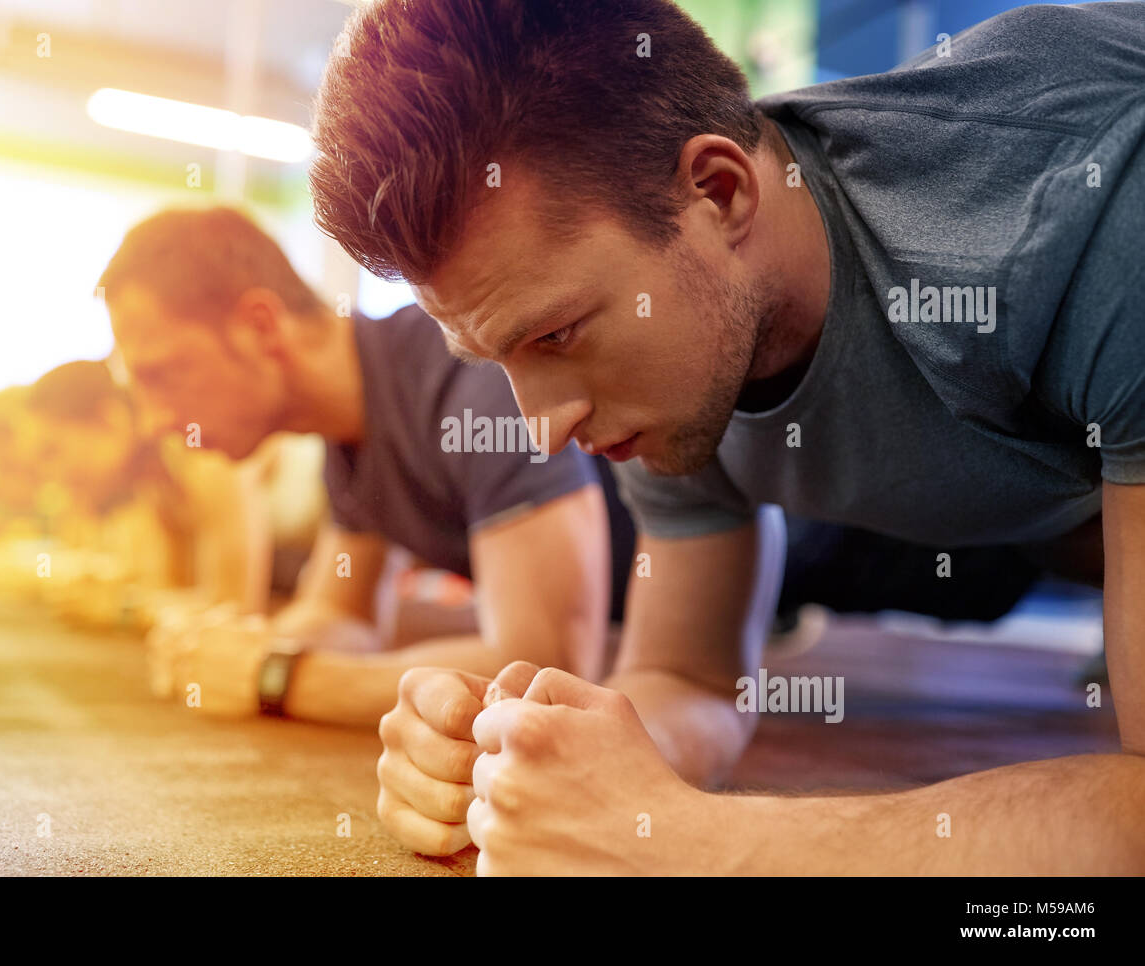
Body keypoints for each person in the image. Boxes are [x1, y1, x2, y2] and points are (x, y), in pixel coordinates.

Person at [308, 0, 1145, 872]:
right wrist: (530, 763)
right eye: (496, 359)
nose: (543, 430)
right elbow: (690, 681)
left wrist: (692, 845)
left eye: (556, 336)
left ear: (719, 192)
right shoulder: (671, 359)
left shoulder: (1089, 198)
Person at [98, 207, 634, 729]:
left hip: (677, 682)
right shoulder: (348, 432)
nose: (152, 422)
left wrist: (280, 677)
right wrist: (237, 646)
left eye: (163, 375)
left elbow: (546, 668)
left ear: (259, 326)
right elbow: (344, 617)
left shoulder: (470, 377)